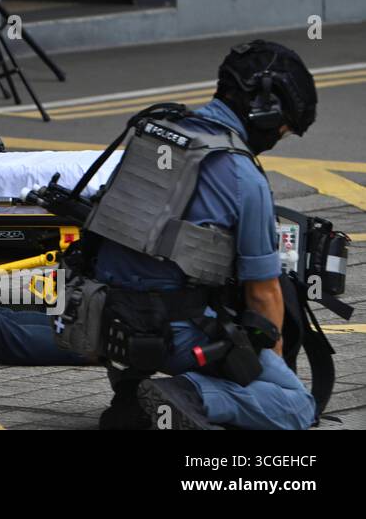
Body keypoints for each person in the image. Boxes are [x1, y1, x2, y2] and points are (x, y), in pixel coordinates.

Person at [78, 40, 319, 430]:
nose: (279, 135)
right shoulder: (243, 176)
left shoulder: (154, 131)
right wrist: (266, 366)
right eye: (284, 127)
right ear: (265, 111)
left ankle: (132, 396)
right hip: (174, 337)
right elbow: (263, 294)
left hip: (103, 318)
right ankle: (184, 395)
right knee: (295, 406)